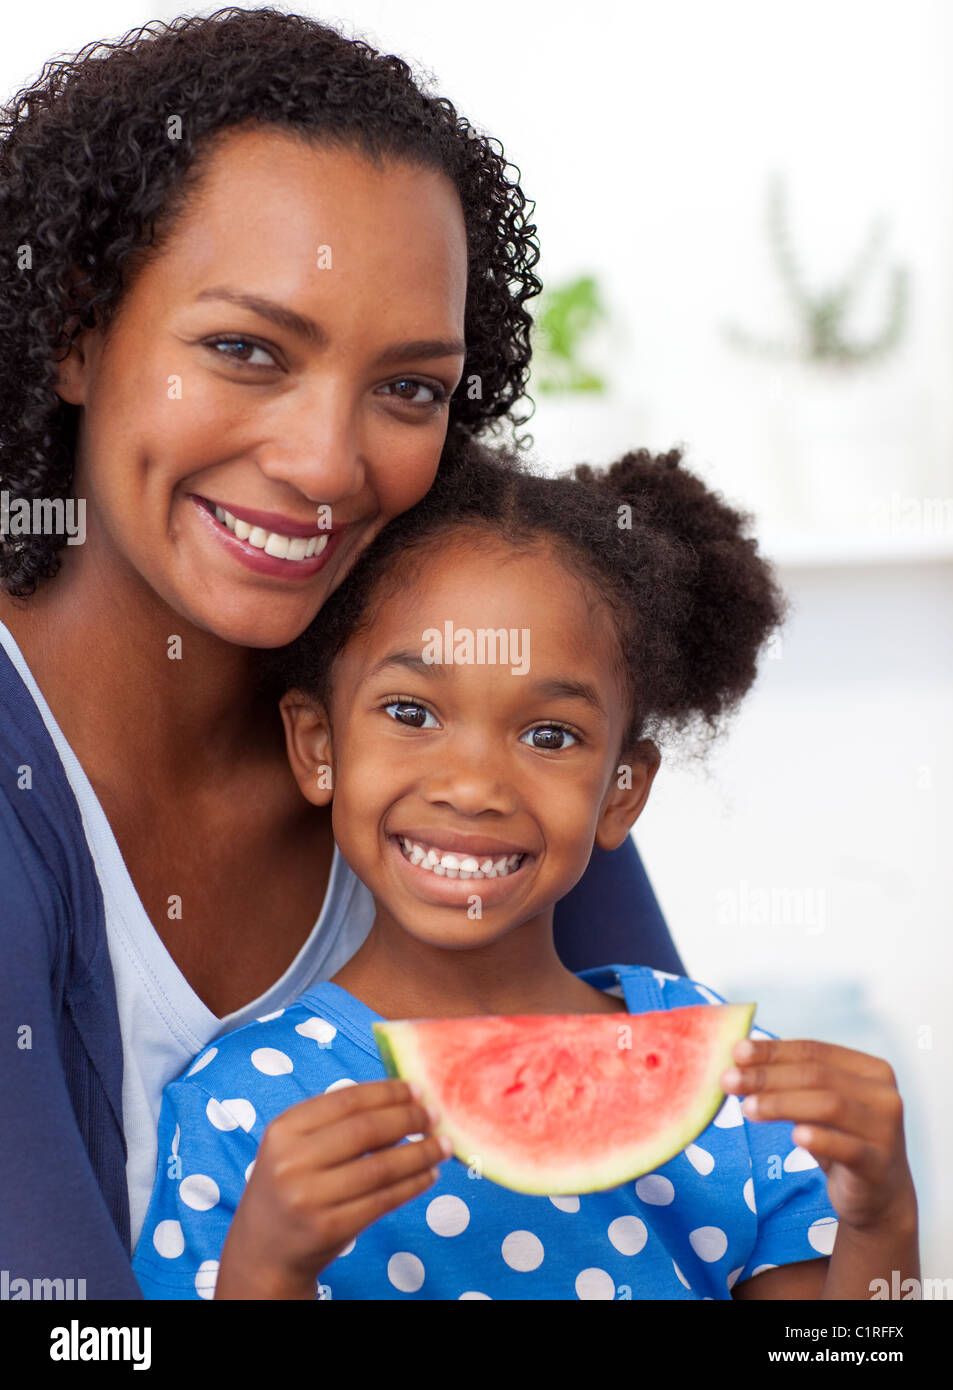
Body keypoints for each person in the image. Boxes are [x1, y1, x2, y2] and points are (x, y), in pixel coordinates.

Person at [0, 9, 679, 1299]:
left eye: (408, 388)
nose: (325, 463)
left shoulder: (462, 721)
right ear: (75, 330)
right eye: (245, 349)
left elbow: (675, 1204)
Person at [131, 439, 919, 1300]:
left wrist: (882, 1218)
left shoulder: (740, 1093)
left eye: (549, 736)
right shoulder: (238, 1111)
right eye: (410, 711)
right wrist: (265, 1270)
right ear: (318, 747)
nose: (472, 789)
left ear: (622, 791)